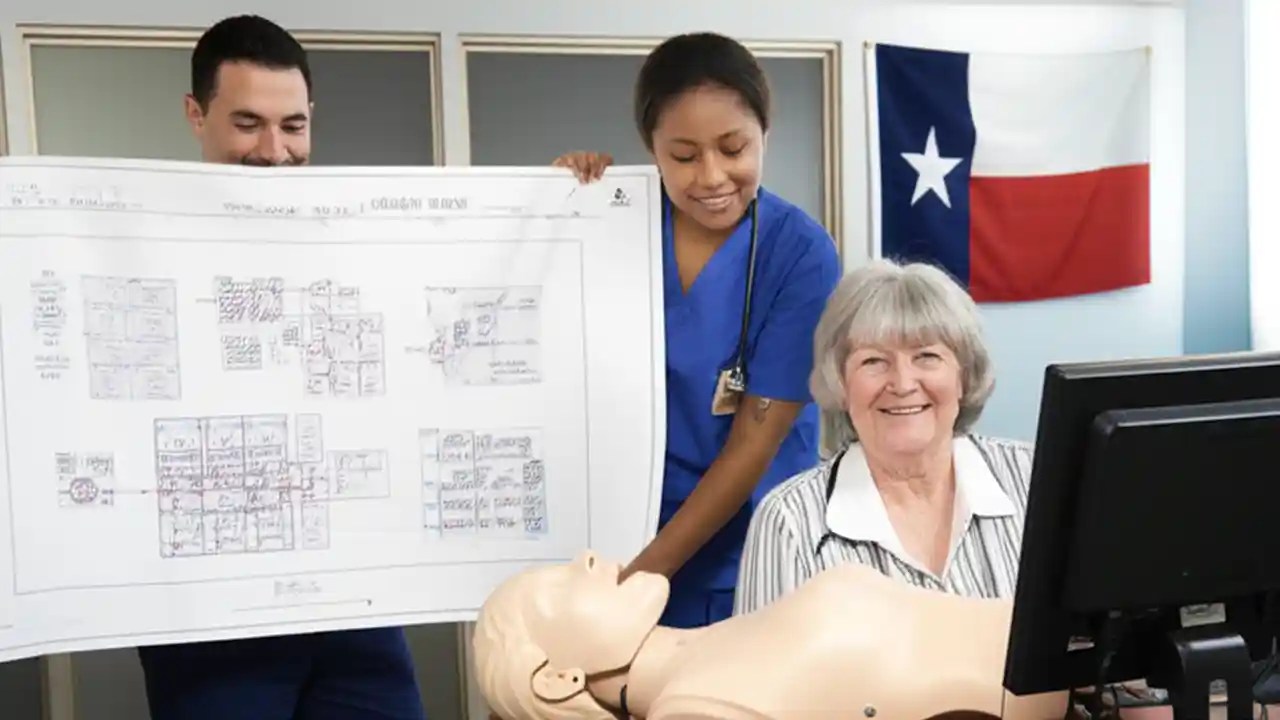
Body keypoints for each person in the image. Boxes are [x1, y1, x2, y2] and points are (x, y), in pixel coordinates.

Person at [133, 15, 426, 720]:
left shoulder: (358, 242)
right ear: (195, 114)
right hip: (209, 613)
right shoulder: (135, 251)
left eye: (292, 126)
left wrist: (572, 202)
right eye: (247, 123)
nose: (274, 151)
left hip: (352, 597)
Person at [552, 32, 842, 629]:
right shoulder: (613, 223)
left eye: (734, 148)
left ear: (765, 134)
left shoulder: (800, 253)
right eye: (683, 156)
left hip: (747, 559)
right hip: (614, 544)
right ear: (650, 149)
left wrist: (638, 583)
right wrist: (557, 206)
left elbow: (753, 447)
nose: (712, 177)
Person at [734, 257, 1029, 615]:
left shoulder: (1035, 476)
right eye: (874, 361)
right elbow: (760, 670)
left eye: (926, 356)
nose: (903, 384)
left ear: (964, 376)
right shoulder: (789, 521)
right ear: (840, 382)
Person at [470, 549, 1076, 720]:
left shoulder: (712, 645)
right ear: (556, 679)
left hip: (1084, 649)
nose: (587, 559)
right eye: (558, 589)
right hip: (1066, 681)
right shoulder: (694, 711)